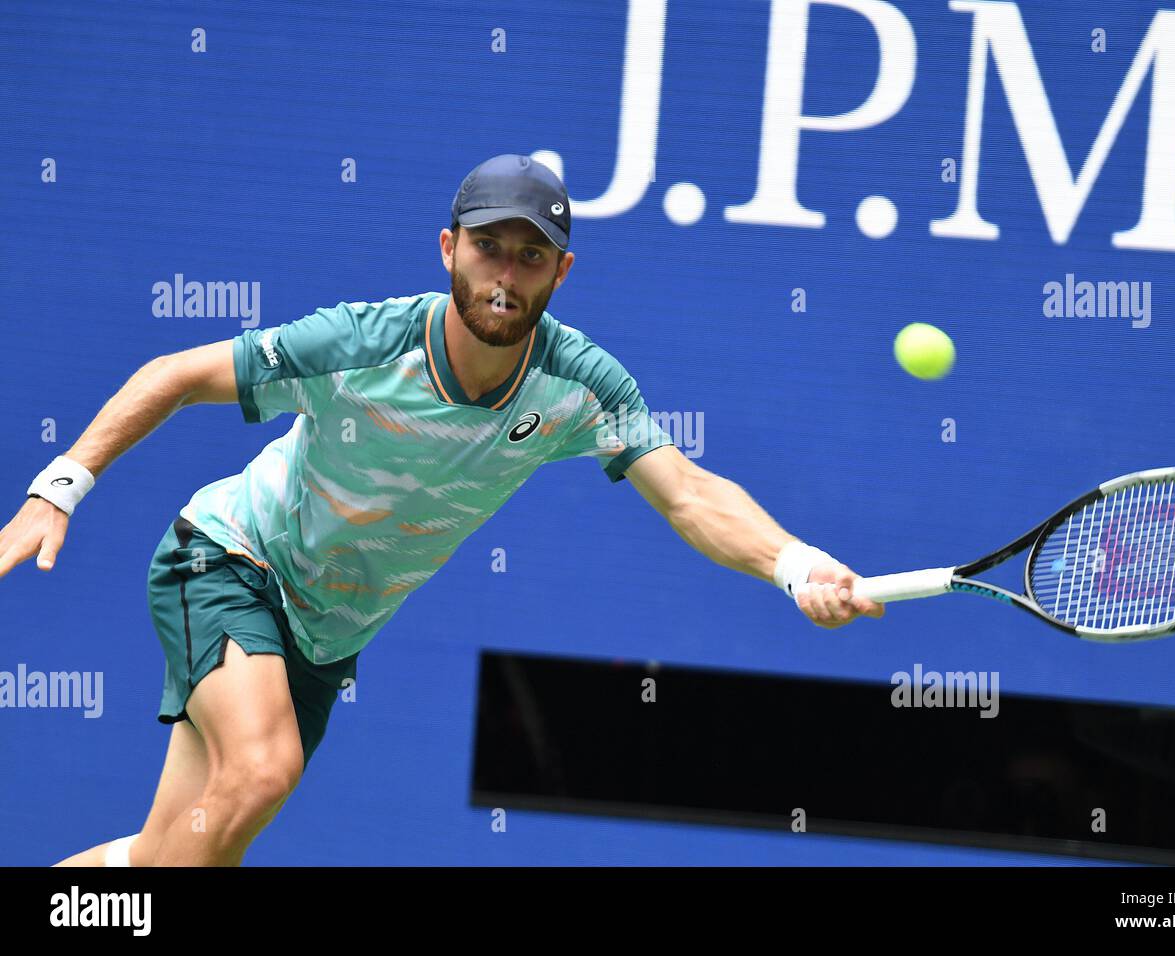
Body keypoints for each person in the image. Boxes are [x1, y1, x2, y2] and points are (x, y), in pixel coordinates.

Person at [0, 153, 883, 867]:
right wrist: (60, 485)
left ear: (561, 271)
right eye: (488, 248)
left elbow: (688, 492)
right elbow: (178, 374)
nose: (506, 275)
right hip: (229, 559)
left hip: (324, 638)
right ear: (448, 249)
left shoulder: (582, 386)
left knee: (170, 858)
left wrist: (795, 564)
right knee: (264, 770)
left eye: (530, 256)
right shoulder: (361, 342)